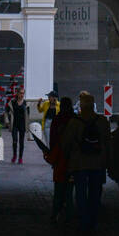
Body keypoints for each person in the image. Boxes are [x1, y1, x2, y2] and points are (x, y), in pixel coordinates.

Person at [61, 91, 110, 232]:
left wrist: (66, 159)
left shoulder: (75, 122)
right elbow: (107, 142)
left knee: (81, 192)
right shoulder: (102, 122)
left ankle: (83, 220)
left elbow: (66, 143)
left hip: (79, 163)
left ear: (81, 106)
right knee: (95, 192)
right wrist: (108, 160)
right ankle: (93, 220)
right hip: (98, 163)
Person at [47, 95, 75, 225]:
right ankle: (70, 215)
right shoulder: (75, 120)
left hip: (59, 159)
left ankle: (55, 214)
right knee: (70, 190)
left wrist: (51, 156)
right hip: (74, 160)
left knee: (58, 190)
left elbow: (53, 139)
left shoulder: (57, 120)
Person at [10, 87, 27, 164]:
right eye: (20, 93)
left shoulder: (25, 103)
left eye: (23, 93)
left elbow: (27, 115)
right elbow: (7, 111)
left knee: (21, 142)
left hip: (22, 124)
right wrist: (8, 120)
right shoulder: (13, 102)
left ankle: (20, 157)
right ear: (17, 93)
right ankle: (14, 155)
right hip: (15, 124)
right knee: (14, 141)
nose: (22, 95)